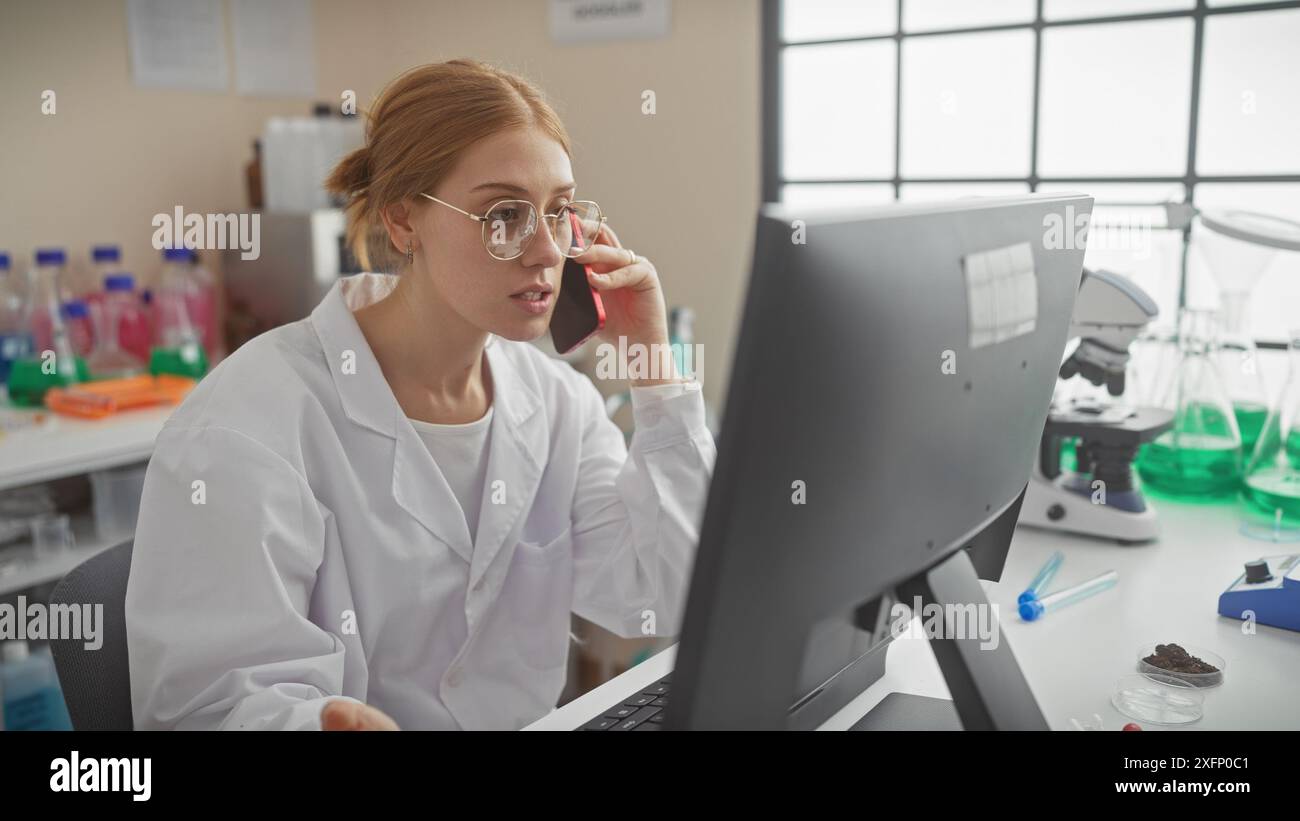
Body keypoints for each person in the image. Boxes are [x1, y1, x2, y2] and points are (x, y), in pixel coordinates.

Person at [125, 59, 716, 730]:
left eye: (558, 211)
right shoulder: (246, 427)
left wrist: (656, 365)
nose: (548, 250)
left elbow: (666, 592)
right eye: (504, 214)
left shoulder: (558, 406)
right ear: (403, 220)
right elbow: (206, 710)